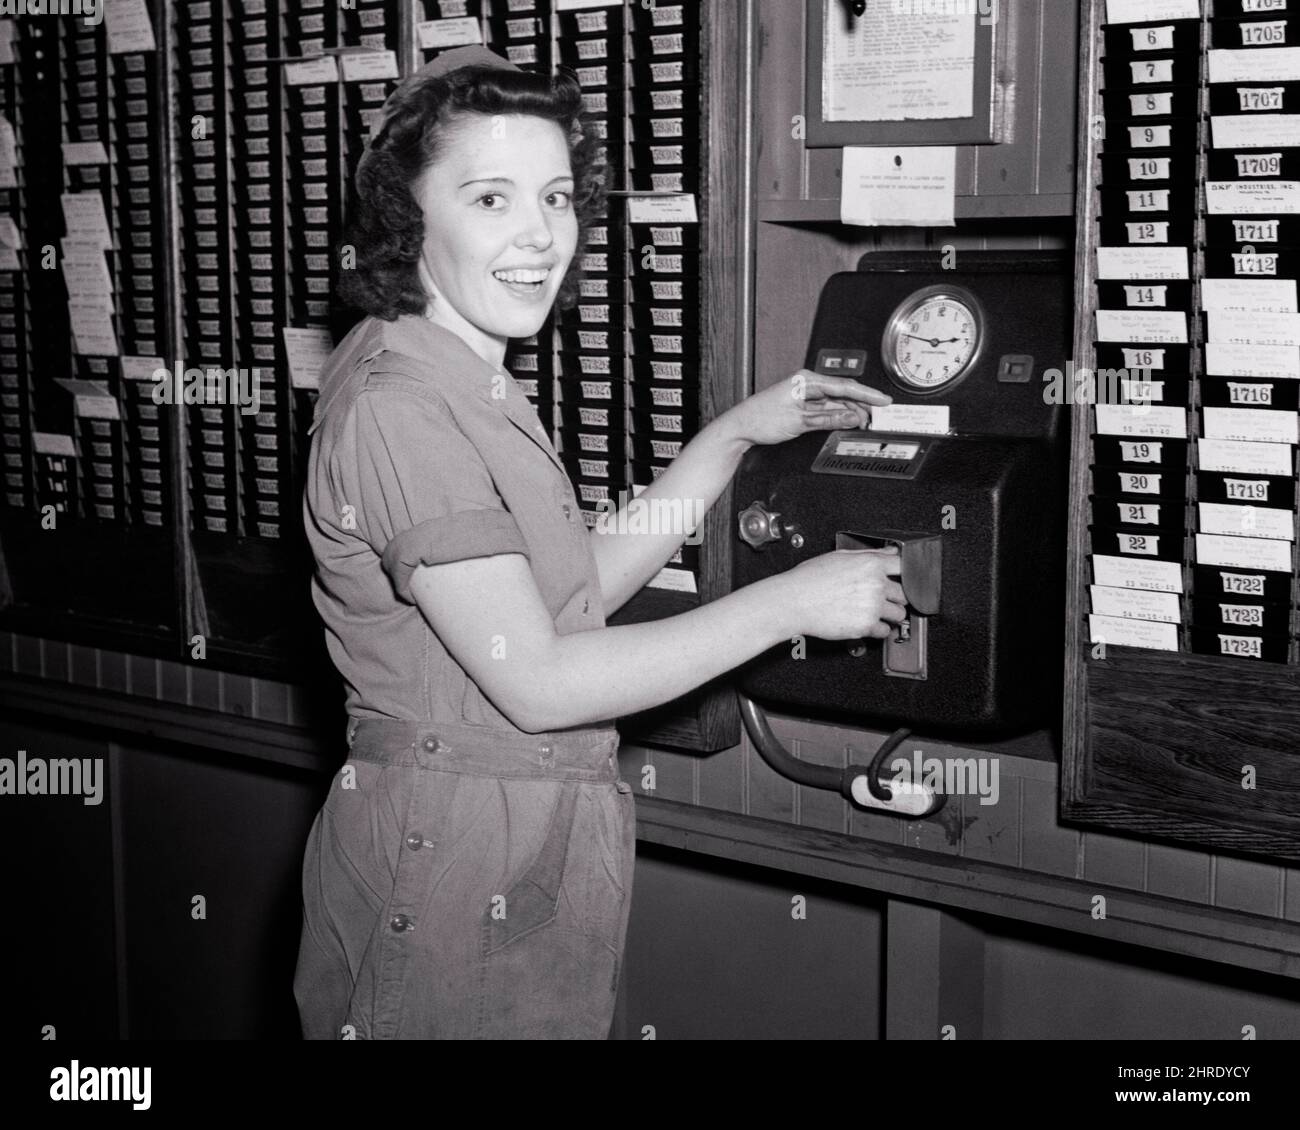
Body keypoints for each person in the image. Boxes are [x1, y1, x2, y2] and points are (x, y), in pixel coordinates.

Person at [291, 45, 906, 1040]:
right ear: (409, 216)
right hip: (449, 851)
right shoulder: (399, 405)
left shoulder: (450, 367)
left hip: (509, 836)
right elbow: (537, 677)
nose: (539, 236)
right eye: (490, 199)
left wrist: (734, 435)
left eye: (557, 197)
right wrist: (789, 602)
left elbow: (566, 592)